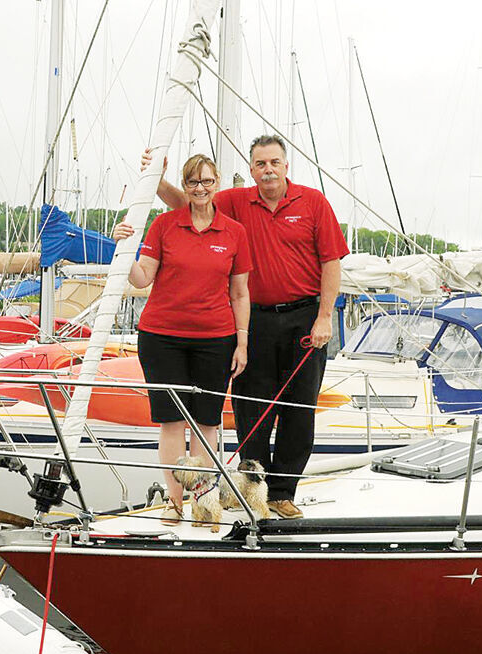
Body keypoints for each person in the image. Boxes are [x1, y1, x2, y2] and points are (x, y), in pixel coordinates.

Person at [144, 135, 348, 519]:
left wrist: (325, 316)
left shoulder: (313, 202)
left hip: (305, 318)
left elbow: (331, 261)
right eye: (260, 164)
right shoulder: (238, 201)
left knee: (298, 409)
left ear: (286, 165)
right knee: (252, 409)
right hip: (255, 318)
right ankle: (253, 490)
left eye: (274, 162)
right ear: (251, 169)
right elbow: (191, 204)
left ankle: (282, 493)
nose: (267, 169)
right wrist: (156, 179)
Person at [114, 153, 251, 525]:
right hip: (162, 337)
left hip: (216, 338)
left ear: (217, 183)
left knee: (207, 423)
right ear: (185, 186)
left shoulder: (234, 232)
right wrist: (124, 248)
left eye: (207, 182)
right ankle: (175, 502)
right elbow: (142, 279)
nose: (200, 189)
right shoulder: (164, 224)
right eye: (193, 182)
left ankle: (203, 500)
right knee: (172, 422)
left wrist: (242, 343)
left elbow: (240, 293)